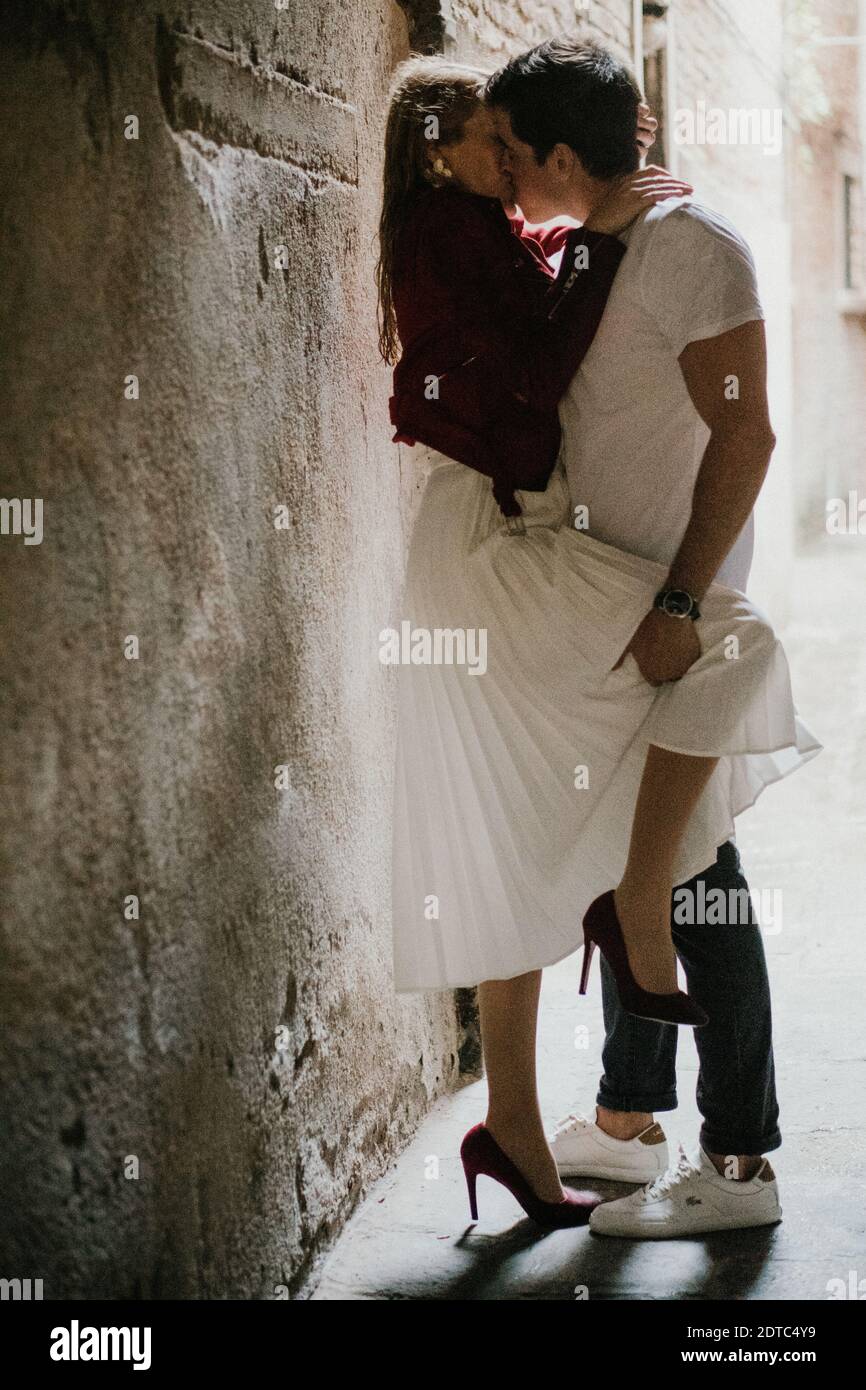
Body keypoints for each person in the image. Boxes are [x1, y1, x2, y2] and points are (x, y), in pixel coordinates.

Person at [379, 52, 821, 1231]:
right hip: (570, 585)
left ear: (562, 157)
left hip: (648, 598)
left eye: (514, 150)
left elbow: (745, 437)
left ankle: (736, 1169)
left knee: (686, 869)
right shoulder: (564, 249)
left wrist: (679, 602)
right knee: (618, 862)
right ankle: (620, 1123)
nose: (506, 170)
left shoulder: (690, 249)